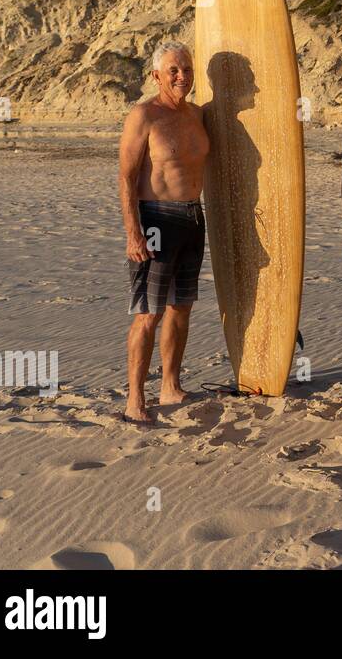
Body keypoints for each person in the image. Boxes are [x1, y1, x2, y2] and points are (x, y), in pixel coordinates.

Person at [118, 42, 210, 424]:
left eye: (186, 68)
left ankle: (170, 386)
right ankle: (134, 399)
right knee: (148, 313)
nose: (181, 76)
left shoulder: (198, 115)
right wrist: (133, 233)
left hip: (193, 217)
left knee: (181, 306)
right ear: (156, 75)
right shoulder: (144, 116)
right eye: (173, 70)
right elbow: (126, 177)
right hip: (156, 219)